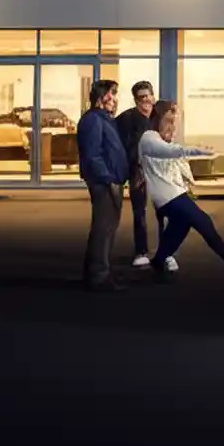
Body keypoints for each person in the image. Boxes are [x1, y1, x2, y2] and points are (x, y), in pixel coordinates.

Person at [138, 99, 224, 283]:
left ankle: (158, 261)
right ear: (160, 118)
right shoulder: (149, 138)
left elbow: (173, 160)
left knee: (180, 226)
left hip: (172, 194)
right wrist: (200, 151)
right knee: (202, 221)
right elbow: (172, 152)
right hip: (167, 196)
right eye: (169, 120)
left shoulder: (158, 138)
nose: (172, 125)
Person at [116, 80, 176, 271]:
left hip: (160, 171)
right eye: (142, 97)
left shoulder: (160, 117)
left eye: (149, 95)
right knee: (140, 212)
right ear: (135, 100)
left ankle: (166, 253)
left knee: (165, 212)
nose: (146, 100)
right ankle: (141, 251)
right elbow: (121, 147)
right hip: (139, 171)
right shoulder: (126, 119)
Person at [77, 79, 131, 292]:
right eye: (112, 94)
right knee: (103, 229)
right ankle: (99, 276)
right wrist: (108, 179)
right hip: (103, 183)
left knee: (107, 228)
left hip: (111, 180)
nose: (115, 100)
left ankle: (98, 273)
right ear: (102, 97)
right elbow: (92, 154)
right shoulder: (93, 120)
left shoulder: (105, 119)